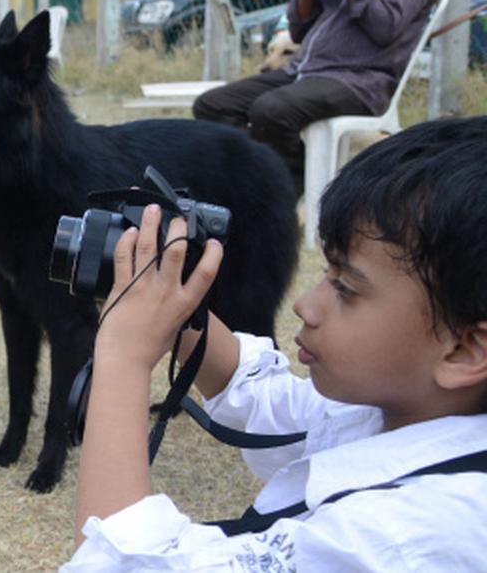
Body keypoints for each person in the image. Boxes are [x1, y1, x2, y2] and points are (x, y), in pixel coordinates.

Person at [63, 117, 487, 571]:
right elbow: (269, 405)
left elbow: (117, 565)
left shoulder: (408, 536)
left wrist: (123, 356)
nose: (306, 304)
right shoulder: (406, 411)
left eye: (346, 288)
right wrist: (171, 301)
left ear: (465, 351)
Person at [192, 0, 441, 196]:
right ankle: (273, 170)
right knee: (212, 106)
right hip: (304, 71)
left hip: (358, 79)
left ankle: (290, 185)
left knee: (271, 110)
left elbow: (385, 27)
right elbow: (298, 30)